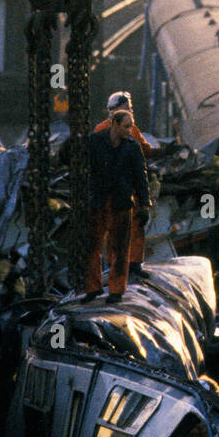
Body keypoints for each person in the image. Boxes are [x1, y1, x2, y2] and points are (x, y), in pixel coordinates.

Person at [84, 108, 151, 303]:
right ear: (114, 124)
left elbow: (141, 177)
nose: (130, 131)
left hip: (121, 204)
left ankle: (116, 290)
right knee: (92, 248)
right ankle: (93, 288)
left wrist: (144, 204)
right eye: (126, 126)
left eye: (131, 127)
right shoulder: (95, 142)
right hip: (99, 201)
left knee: (120, 250)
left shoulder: (132, 147)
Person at [94, 92, 156, 275]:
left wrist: (165, 152)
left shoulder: (132, 129)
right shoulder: (101, 130)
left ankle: (135, 264)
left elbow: (145, 150)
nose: (130, 110)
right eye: (126, 107)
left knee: (136, 226)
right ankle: (114, 266)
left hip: (131, 187)